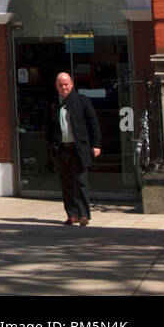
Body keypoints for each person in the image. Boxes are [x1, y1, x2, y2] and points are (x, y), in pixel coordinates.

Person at [44, 71, 102, 226]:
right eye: (60, 85)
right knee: (66, 183)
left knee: (80, 181)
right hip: (61, 149)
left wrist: (96, 145)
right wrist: (51, 145)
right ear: (56, 86)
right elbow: (48, 126)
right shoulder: (52, 103)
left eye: (66, 84)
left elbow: (93, 124)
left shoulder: (82, 101)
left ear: (72, 84)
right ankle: (72, 215)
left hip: (79, 148)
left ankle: (84, 214)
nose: (64, 87)